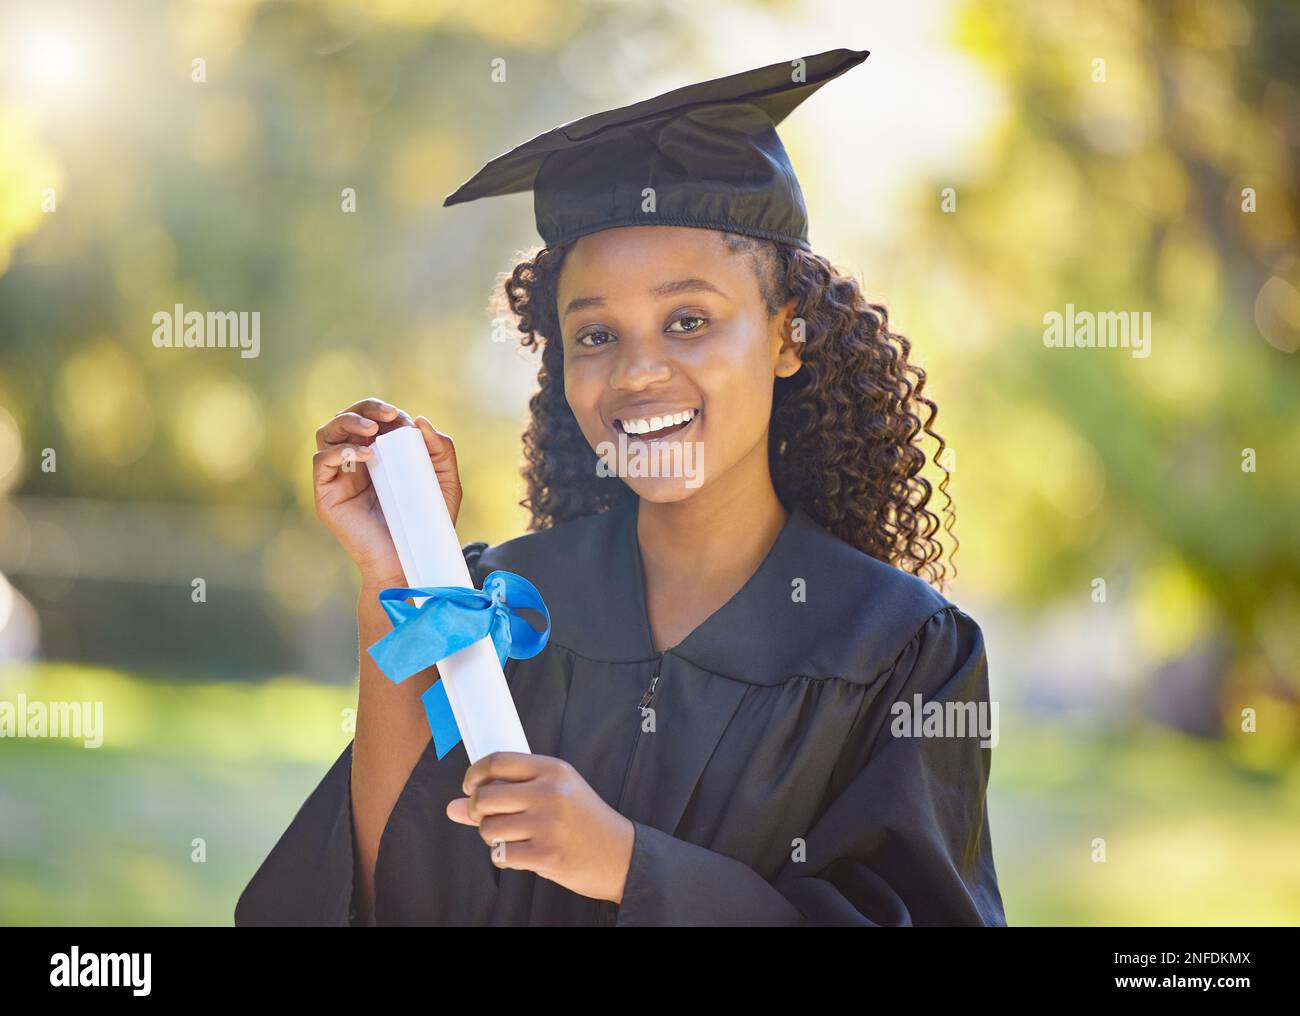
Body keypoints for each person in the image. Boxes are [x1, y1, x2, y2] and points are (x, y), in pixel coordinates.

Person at [235, 48, 1006, 926]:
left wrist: (630, 865)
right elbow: (387, 903)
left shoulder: (900, 650)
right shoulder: (506, 608)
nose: (640, 372)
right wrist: (392, 582)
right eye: (595, 335)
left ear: (788, 336)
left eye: (688, 321)